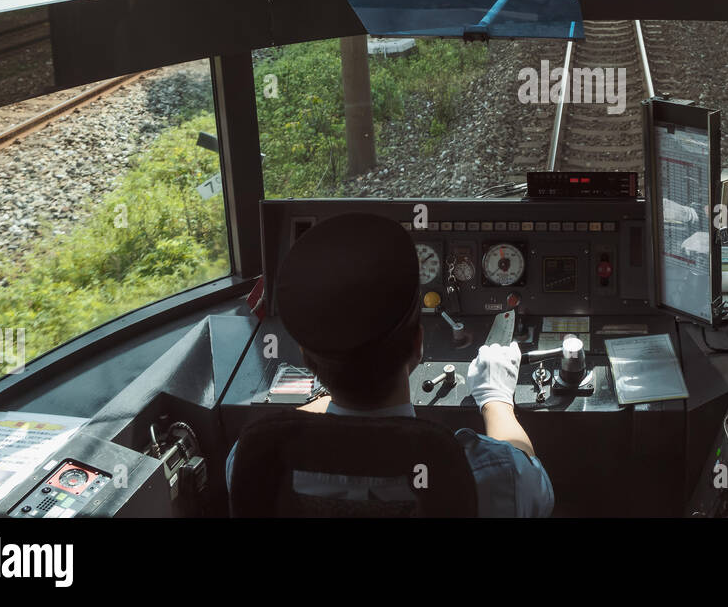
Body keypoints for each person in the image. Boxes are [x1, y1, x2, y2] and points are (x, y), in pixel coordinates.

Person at [227, 213, 554, 517]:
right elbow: (534, 487)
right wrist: (495, 399)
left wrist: (334, 383)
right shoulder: (486, 475)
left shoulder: (256, 458)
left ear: (306, 359)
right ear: (417, 346)